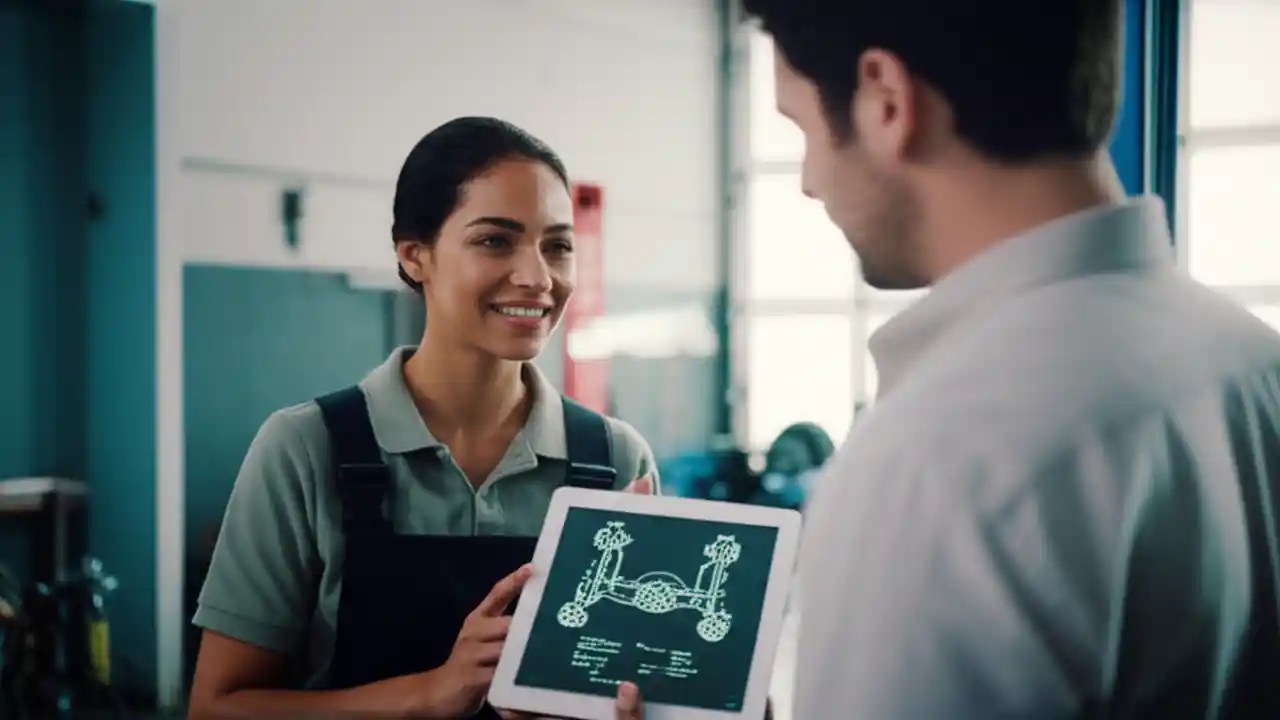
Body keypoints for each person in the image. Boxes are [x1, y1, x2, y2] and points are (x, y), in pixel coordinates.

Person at [731, 0, 1275, 718]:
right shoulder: (1252, 360)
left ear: (886, 101)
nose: (808, 179)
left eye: (801, 128)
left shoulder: (936, 463)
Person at [189, 117, 661, 719]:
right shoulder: (306, 449)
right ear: (415, 256)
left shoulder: (616, 461)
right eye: (495, 240)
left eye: (558, 245)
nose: (538, 277)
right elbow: (217, 709)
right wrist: (429, 695)